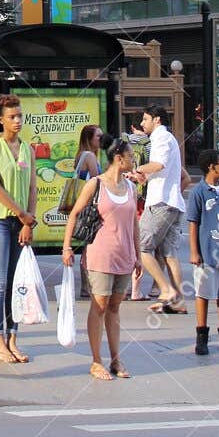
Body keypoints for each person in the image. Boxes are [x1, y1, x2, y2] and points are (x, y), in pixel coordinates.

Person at [62, 137, 141, 380]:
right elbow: (74, 214)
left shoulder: (131, 187)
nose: (133, 160)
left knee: (115, 307)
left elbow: (135, 224)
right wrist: (67, 248)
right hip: (100, 255)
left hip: (125, 255)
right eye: (130, 157)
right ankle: (96, 361)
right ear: (119, 159)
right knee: (99, 306)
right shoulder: (95, 184)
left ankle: (116, 359)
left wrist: (138, 256)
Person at [0, 94, 37, 365]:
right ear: (1, 119)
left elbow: (32, 188)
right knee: (0, 282)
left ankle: (13, 337)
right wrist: (20, 213)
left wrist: (29, 220)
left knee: (18, 284)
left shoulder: (28, 149)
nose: (17, 121)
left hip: (21, 222)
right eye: (12, 116)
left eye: (20, 116)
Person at [131, 104, 188, 312]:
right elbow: (159, 170)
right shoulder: (166, 139)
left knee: (142, 247)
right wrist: (142, 176)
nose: (142, 123)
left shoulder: (160, 137)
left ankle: (166, 290)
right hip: (172, 202)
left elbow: (158, 164)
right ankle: (179, 301)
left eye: (145, 119)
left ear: (157, 120)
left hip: (160, 201)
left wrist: (137, 169)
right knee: (169, 253)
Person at [186, 150, 219, 355]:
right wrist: (194, 251)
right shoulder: (198, 192)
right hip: (207, 253)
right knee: (203, 293)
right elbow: (193, 223)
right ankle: (202, 336)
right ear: (211, 167)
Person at [72, 123, 104, 301]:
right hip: (90, 208)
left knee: (87, 246)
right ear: (89, 139)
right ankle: (88, 285)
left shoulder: (81, 155)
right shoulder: (90, 156)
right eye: (97, 136)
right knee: (89, 247)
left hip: (83, 206)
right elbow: (97, 181)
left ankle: (86, 286)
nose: (100, 139)